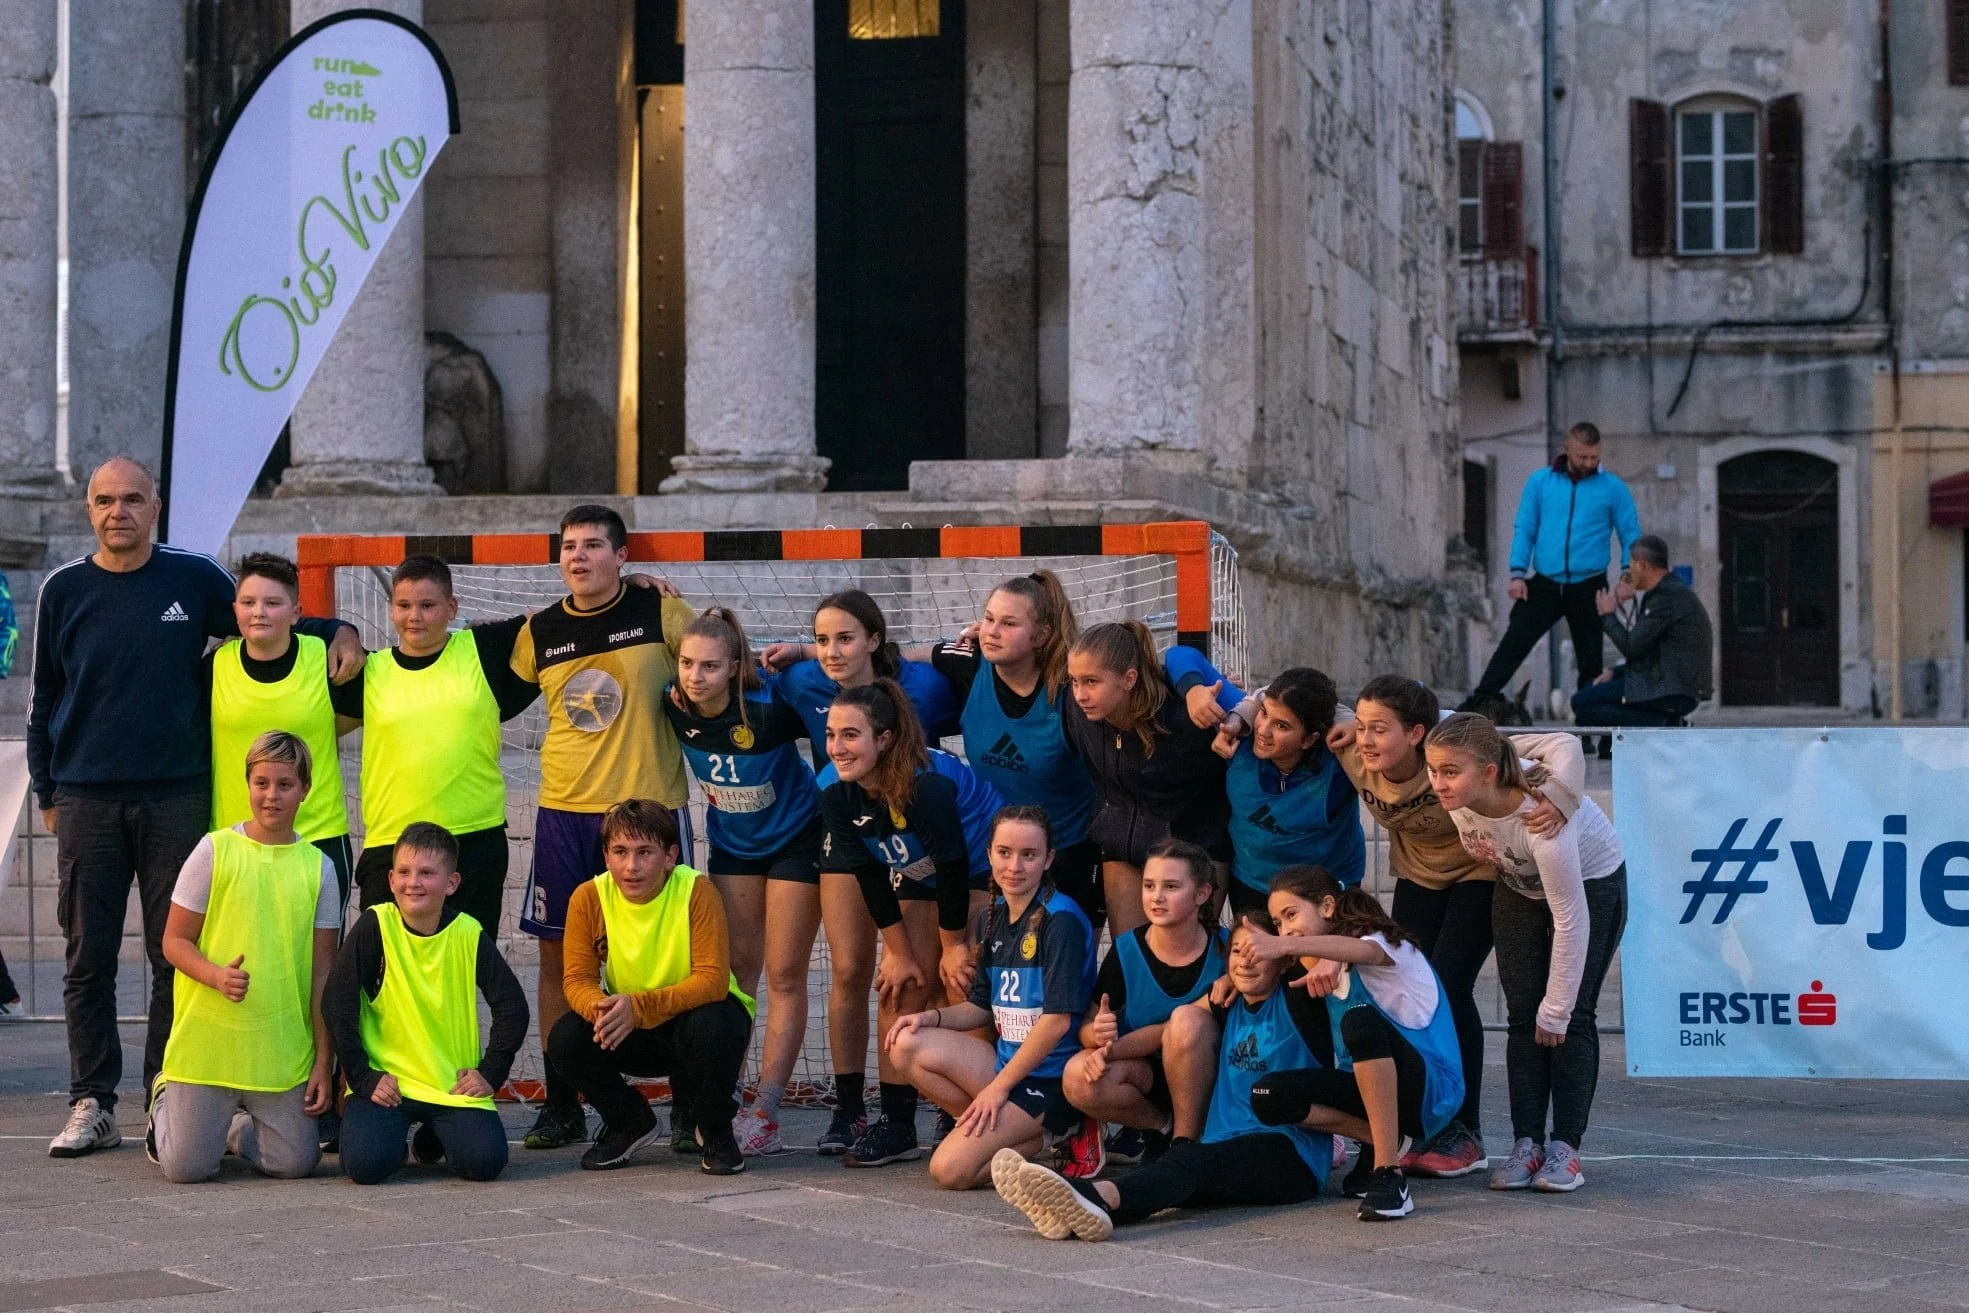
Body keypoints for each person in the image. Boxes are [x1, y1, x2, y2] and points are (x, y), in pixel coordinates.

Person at [30, 456, 359, 1159]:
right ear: (89, 509)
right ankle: (92, 1099)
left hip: (178, 797)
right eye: (105, 500)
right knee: (86, 955)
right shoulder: (63, 589)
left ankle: (161, 1092)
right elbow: (44, 698)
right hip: (87, 797)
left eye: (133, 499)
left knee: (170, 953)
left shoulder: (192, 577)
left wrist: (339, 630)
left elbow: (263, 616)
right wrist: (48, 790)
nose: (119, 511)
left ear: (157, 506)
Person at [1321, 676, 1578, 1180]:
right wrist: (1238, 711)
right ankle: (1423, 1120)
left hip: (1479, 871)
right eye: (1363, 726)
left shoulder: (1449, 746)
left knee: (1448, 987)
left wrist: (1562, 799)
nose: (1366, 738)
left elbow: (1562, 743)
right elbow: (1277, 697)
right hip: (1417, 875)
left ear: (1417, 733)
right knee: (1407, 988)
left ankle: (1465, 1132)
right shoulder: (1354, 747)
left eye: (1380, 729)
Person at [509, 504, 695, 1151]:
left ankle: (688, 1103)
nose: (578, 556)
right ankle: (562, 1102)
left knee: (676, 954)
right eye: (568, 546)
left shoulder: (662, 612)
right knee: (561, 956)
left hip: (648, 813)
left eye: (593, 545)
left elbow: (720, 662)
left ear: (623, 557)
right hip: (565, 811)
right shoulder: (538, 630)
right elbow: (490, 681)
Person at [759, 589, 957, 1155]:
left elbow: (960, 669)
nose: (831, 651)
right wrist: (795, 651)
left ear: (874, 639)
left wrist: (943, 647)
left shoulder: (921, 689)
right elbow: (744, 681)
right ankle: (848, 1111)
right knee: (849, 970)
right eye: (821, 639)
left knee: (923, 972)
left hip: (915, 840)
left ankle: (940, 1104)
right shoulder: (802, 684)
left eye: (845, 638)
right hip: (846, 837)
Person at [988, 919, 1332, 1241]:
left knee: (1191, 1163)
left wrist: (1308, 951)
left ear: (1282, 959)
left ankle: (1088, 1193)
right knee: (1183, 1179)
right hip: (1224, 1143)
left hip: (1288, 1153)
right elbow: (1163, 1032)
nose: (1246, 961)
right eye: (1238, 952)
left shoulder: (1299, 1001)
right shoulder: (1227, 1001)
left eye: (1259, 952)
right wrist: (1107, 1052)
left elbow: (1330, 952)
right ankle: (1087, 1212)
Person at [1425, 712, 1626, 1194]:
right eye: (1432, 770)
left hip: (1591, 885)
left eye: (1449, 772)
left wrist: (1555, 1009)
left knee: (1568, 1016)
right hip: (1518, 883)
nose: (1438, 783)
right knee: (1521, 1015)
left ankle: (1566, 1150)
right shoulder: (1468, 775)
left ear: (1490, 772)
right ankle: (1526, 1142)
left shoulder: (1541, 823)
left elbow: (1572, 920)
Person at [817, 679, 1003, 1168]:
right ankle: (897, 1122)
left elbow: (954, 866)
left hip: (981, 867)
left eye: (851, 735)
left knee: (961, 979)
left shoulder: (926, 784)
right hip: (920, 872)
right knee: (898, 984)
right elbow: (871, 877)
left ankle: (968, 1108)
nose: (837, 746)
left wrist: (956, 945)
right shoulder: (835, 792)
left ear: (885, 739)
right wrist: (898, 952)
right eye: (832, 733)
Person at [663, 607, 823, 1158]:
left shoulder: (771, 704)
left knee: (784, 973)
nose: (695, 676)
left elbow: (839, 706)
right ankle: (718, 1096)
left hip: (796, 842)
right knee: (734, 974)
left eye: (710, 666)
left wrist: (803, 650)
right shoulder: (672, 702)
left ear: (735, 667)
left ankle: (768, 1108)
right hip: (733, 846)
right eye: (686, 663)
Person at [151, 732, 340, 1183]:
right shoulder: (213, 851)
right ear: (247, 784)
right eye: (261, 783)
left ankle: (236, 1130)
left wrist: (321, 1063)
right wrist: (215, 976)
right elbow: (173, 942)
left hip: (279, 1050)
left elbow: (322, 977)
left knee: (295, 1163)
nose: (271, 796)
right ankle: (165, 1100)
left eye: (284, 785)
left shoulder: (321, 869)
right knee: (186, 1170)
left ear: (305, 789)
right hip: (209, 1045)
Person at [885, 806, 1100, 1188]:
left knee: (948, 1171)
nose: (1014, 866)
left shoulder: (1060, 920)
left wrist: (998, 1090)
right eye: (1004, 852)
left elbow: (1057, 1022)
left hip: (1049, 1079)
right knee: (904, 1043)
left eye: (1028, 855)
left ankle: (1058, 1130)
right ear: (988, 855)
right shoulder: (993, 916)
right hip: (1005, 1067)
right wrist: (928, 1019)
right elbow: (980, 1008)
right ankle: (997, 1131)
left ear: (1048, 858)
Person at [1238, 866, 1465, 1222]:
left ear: (1327, 906)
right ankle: (1382, 1141)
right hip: (1369, 1092)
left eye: (1291, 914)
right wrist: (1224, 984)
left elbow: (1362, 951)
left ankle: (1388, 1173)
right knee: (1268, 1095)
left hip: (1430, 1092)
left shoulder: (1386, 942)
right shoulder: (1318, 962)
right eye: (1278, 923)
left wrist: (1286, 944)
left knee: (1359, 1020)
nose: (1284, 929)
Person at [547, 800, 753, 1174]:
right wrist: (602, 1009)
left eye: (645, 853)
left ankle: (714, 1127)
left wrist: (637, 1007)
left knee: (720, 1022)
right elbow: (576, 980)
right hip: (627, 1027)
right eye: (621, 852)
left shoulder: (696, 891)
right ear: (606, 856)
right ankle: (630, 1121)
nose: (632, 865)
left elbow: (712, 980)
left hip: (688, 1025)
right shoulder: (588, 897)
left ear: (670, 856)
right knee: (565, 1037)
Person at [343, 554, 538, 934]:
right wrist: (340, 630)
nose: (414, 615)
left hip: (474, 839)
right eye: (404, 605)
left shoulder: (483, 648)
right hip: (392, 844)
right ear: (390, 610)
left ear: (452, 608)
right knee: (388, 976)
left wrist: (626, 586)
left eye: (428, 605)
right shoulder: (370, 670)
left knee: (463, 971)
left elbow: (556, 620)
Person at [326, 823, 528, 1184]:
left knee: (484, 1163)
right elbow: (337, 1002)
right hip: (388, 1085)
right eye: (403, 872)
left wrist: (491, 1072)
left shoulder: (467, 933)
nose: (412, 882)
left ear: (451, 884)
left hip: (448, 1086)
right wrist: (362, 1076)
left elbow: (513, 1007)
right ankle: (391, 1139)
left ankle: (432, 1138)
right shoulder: (376, 925)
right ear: (390, 879)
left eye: (426, 873)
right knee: (365, 1166)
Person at [930, 572, 1104, 927]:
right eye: (989, 619)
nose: (992, 631)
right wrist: (802, 650)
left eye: (1008, 623)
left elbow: (1144, 679)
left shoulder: (1071, 692)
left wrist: (1219, 697)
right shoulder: (969, 662)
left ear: (1041, 636)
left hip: (1068, 851)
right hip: (994, 850)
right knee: (978, 963)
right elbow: (894, 660)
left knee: (1062, 966)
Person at [1062, 621, 1242, 934]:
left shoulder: (1184, 712)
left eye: (1091, 681)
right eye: (1074, 681)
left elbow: (1260, 708)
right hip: (1122, 843)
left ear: (1129, 679)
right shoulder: (1077, 707)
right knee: (1132, 956)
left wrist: (1224, 710)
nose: (1080, 694)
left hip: (1193, 847)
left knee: (1189, 959)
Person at [1061, 839, 1225, 1169]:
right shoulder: (1126, 950)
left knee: (1187, 1022)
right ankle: (1162, 1130)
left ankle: (1186, 1144)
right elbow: (1086, 1030)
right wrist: (1097, 1033)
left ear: (1202, 894)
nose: (1156, 897)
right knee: (1078, 1075)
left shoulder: (1227, 950)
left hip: (1213, 1079)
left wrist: (1110, 1049)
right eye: (1149, 885)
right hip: (1148, 1074)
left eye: (1171, 886)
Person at [208, 553, 355, 904]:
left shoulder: (325, 657)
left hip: (318, 837)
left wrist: (345, 631)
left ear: (295, 612)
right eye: (248, 602)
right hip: (236, 841)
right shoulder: (214, 667)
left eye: (272, 602)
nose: (259, 611)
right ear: (235, 610)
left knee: (319, 959)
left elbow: (362, 712)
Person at [1464, 422, 1642, 707]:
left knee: (1590, 660)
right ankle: (1480, 704)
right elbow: (1526, 527)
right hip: (1545, 582)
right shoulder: (1540, 483)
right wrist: (1518, 573)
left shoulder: (1613, 489)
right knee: (1514, 642)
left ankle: (1589, 722)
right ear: (1566, 449)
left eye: (1594, 457)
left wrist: (1628, 577)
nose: (1588, 463)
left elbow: (1631, 534)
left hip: (1590, 584)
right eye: (1582, 456)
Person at [1215, 667, 1364, 920]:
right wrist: (1243, 707)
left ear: (1309, 740)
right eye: (1264, 713)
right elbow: (1182, 658)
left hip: (1325, 892)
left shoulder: (1339, 763)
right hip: (1252, 884)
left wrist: (1354, 722)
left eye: (1282, 726)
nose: (1263, 730)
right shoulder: (1239, 732)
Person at [1573, 533, 1713, 732]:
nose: (1628, 572)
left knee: (1582, 704)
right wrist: (1615, 672)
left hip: (1672, 689)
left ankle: (1667, 724)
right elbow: (1645, 646)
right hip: (1666, 682)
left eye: (1631, 565)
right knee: (1592, 689)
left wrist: (1608, 614)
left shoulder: (1666, 596)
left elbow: (1631, 646)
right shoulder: (1666, 592)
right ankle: (1626, 739)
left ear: (1643, 566)